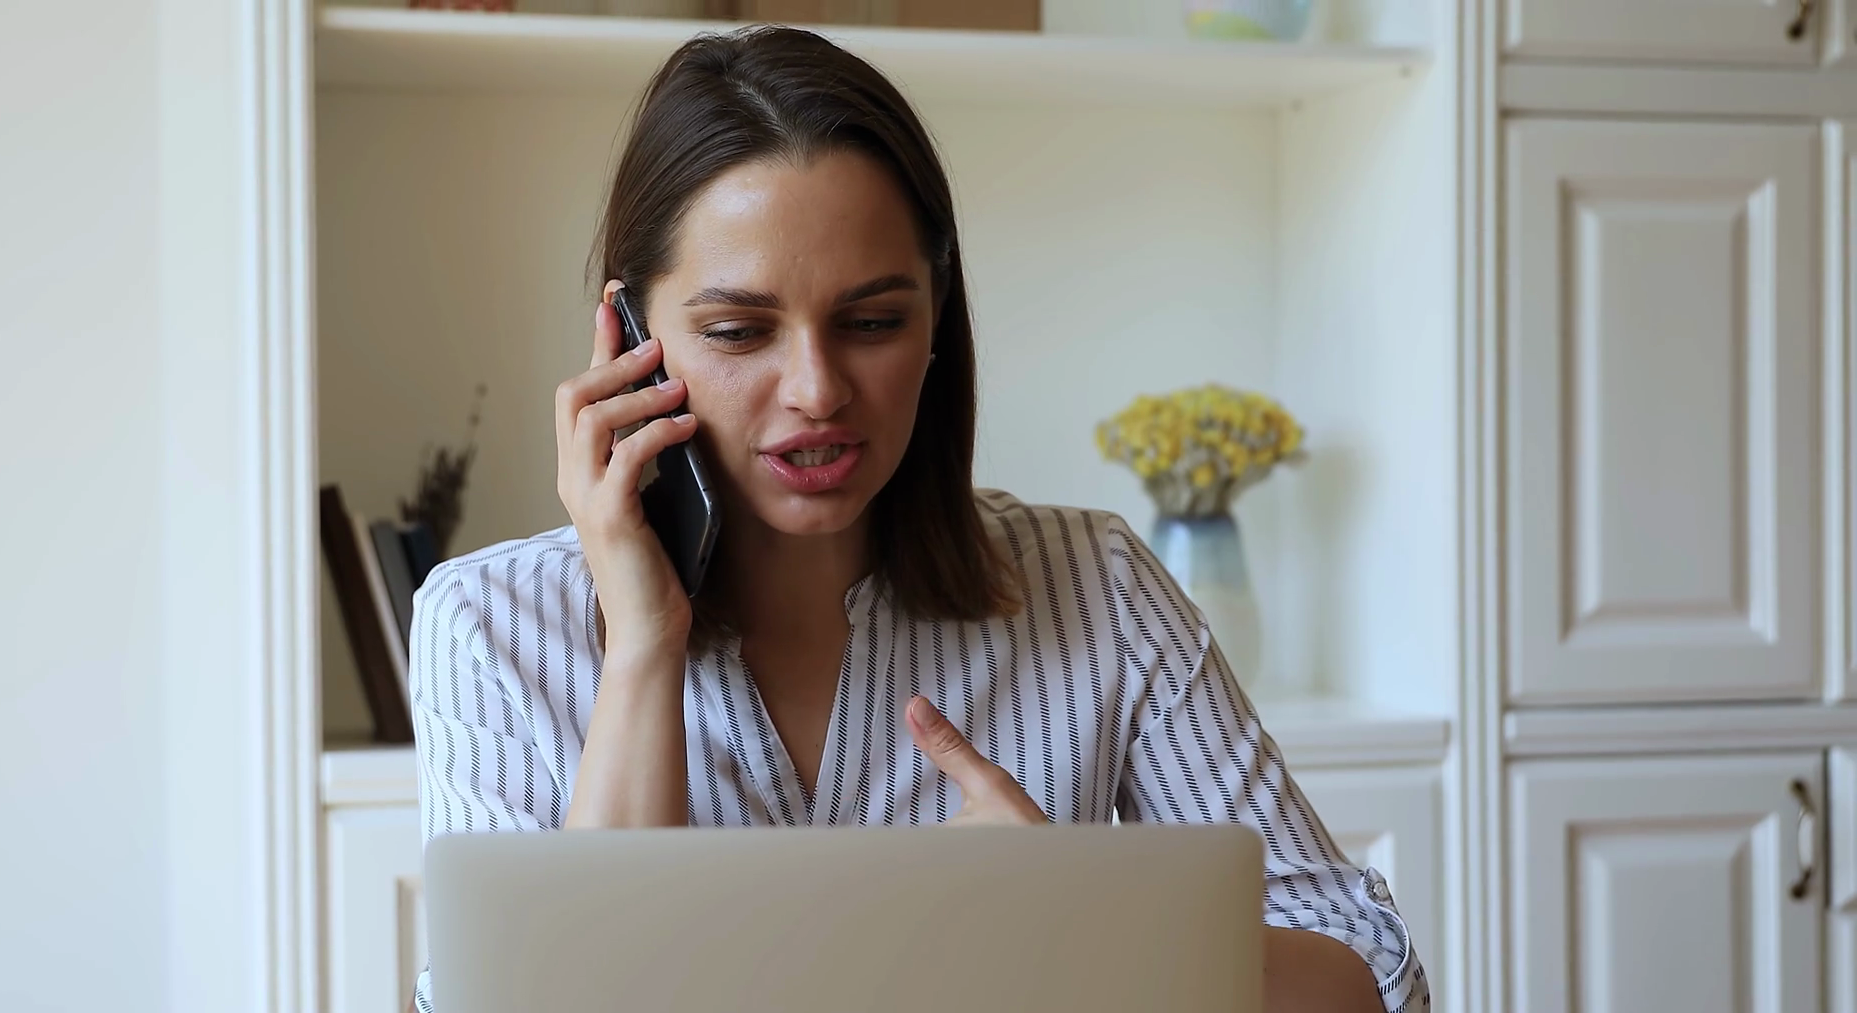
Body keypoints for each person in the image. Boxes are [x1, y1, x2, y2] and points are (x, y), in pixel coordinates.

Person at [406, 24, 1428, 1013]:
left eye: (872, 322)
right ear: (629, 338)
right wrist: (640, 644)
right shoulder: (490, 625)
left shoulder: (1101, 584)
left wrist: (1075, 919)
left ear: (936, 317)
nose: (816, 387)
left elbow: (1379, 980)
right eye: (737, 329)